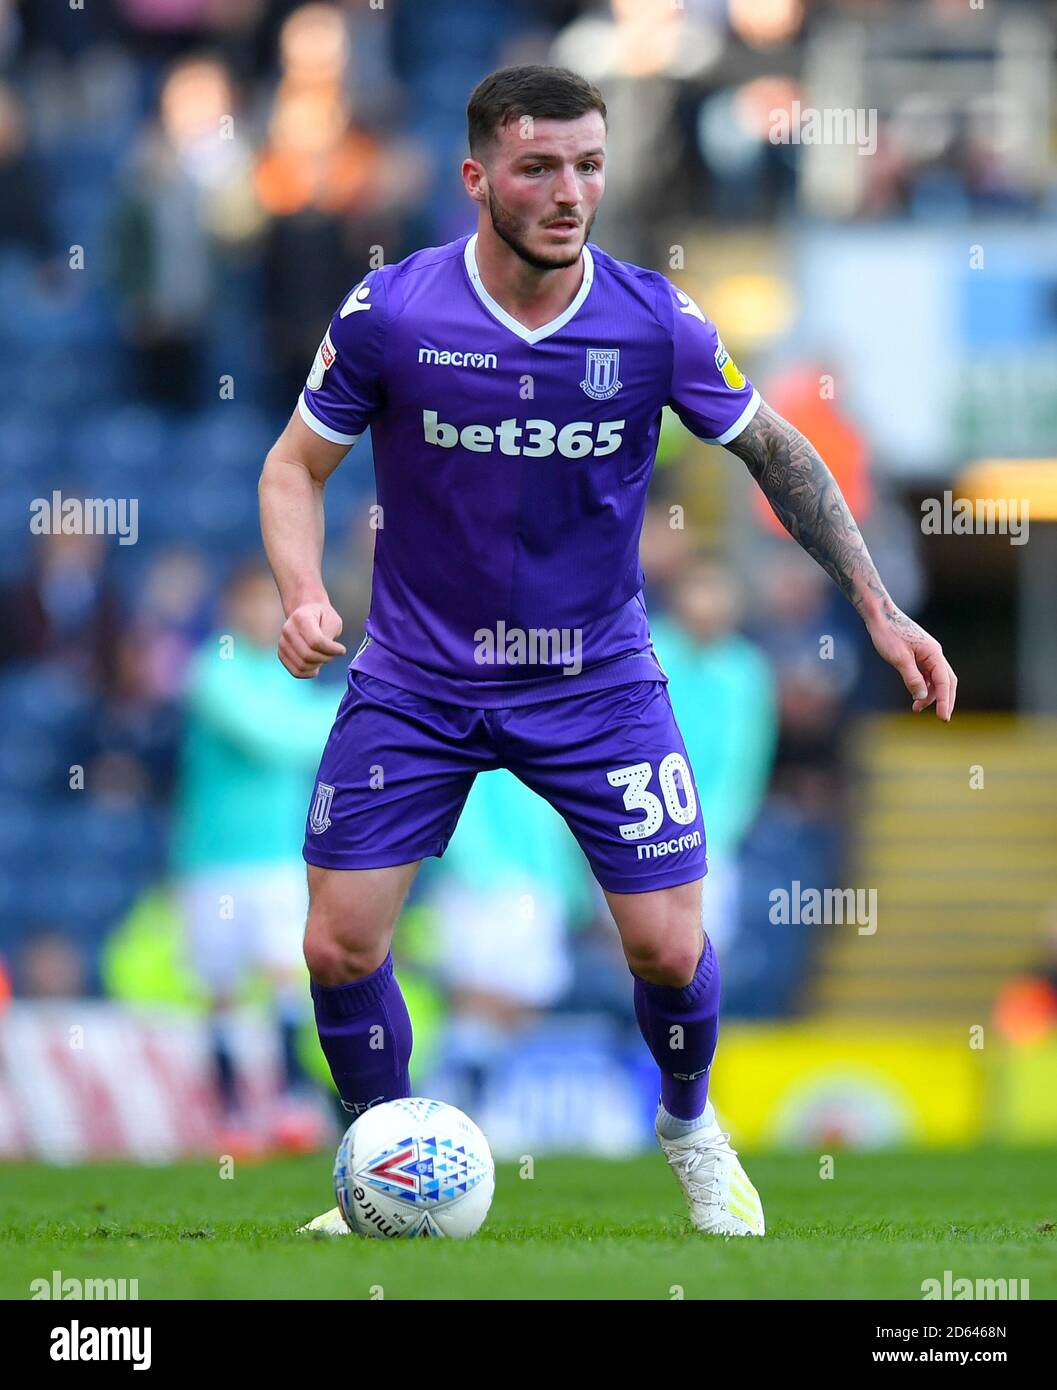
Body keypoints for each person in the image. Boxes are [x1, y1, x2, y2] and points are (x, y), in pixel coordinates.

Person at [258, 65, 957, 1237]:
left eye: (587, 165)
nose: (568, 191)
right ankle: (385, 1160)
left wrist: (878, 604)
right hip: (419, 679)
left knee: (669, 946)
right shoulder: (392, 313)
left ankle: (688, 1123)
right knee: (337, 942)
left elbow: (777, 452)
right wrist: (295, 589)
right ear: (476, 177)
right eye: (537, 167)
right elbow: (294, 466)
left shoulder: (651, 321)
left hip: (594, 681)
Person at [171, 563, 337, 1156]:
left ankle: (291, 1102)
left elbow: (298, 732)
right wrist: (335, 720)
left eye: (272, 605)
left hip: (278, 857)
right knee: (221, 988)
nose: (263, 615)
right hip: (213, 860)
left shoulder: (286, 678)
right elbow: (272, 737)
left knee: (286, 975)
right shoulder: (212, 672)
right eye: (252, 604)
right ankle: (232, 1114)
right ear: (230, 610)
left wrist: (319, 722)